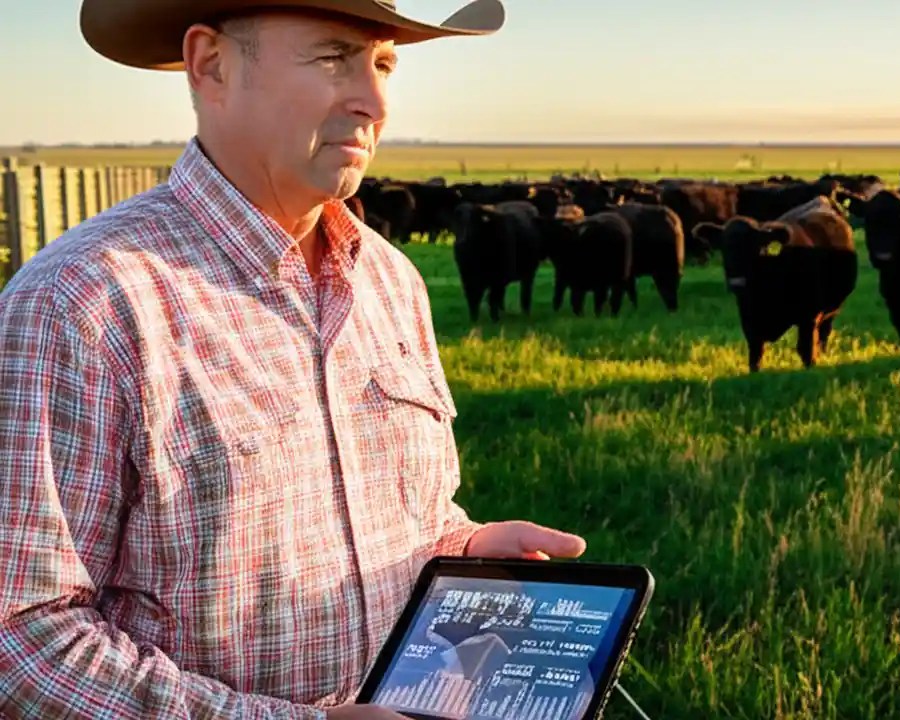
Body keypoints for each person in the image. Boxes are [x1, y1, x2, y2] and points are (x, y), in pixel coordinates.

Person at [0, 1, 587, 717]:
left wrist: (461, 547)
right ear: (212, 64)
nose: (374, 101)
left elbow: (398, 516)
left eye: (383, 63)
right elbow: (22, 640)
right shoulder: (85, 301)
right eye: (333, 56)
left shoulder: (389, 282)